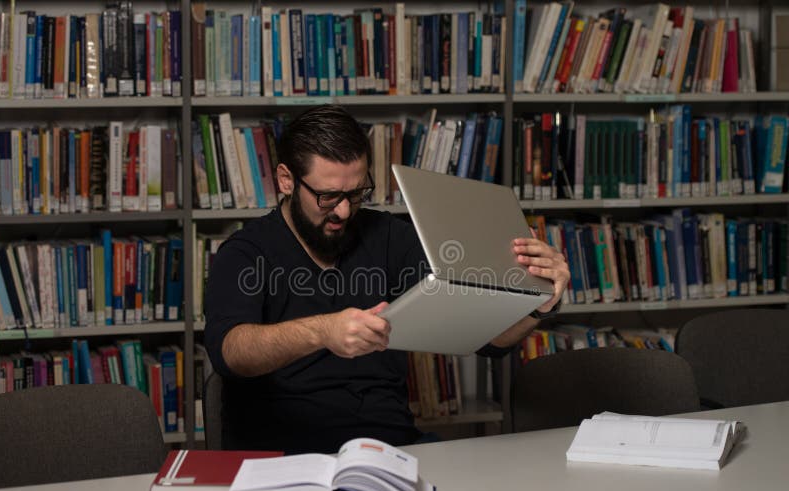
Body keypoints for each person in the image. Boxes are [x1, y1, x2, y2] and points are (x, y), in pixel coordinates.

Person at [204, 105, 570, 454]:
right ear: (286, 180)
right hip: (286, 453)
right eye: (328, 196)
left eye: (357, 193)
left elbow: (485, 338)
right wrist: (321, 332)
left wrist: (537, 304)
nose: (344, 211)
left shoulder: (391, 237)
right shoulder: (246, 252)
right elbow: (231, 352)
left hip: (390, 447)